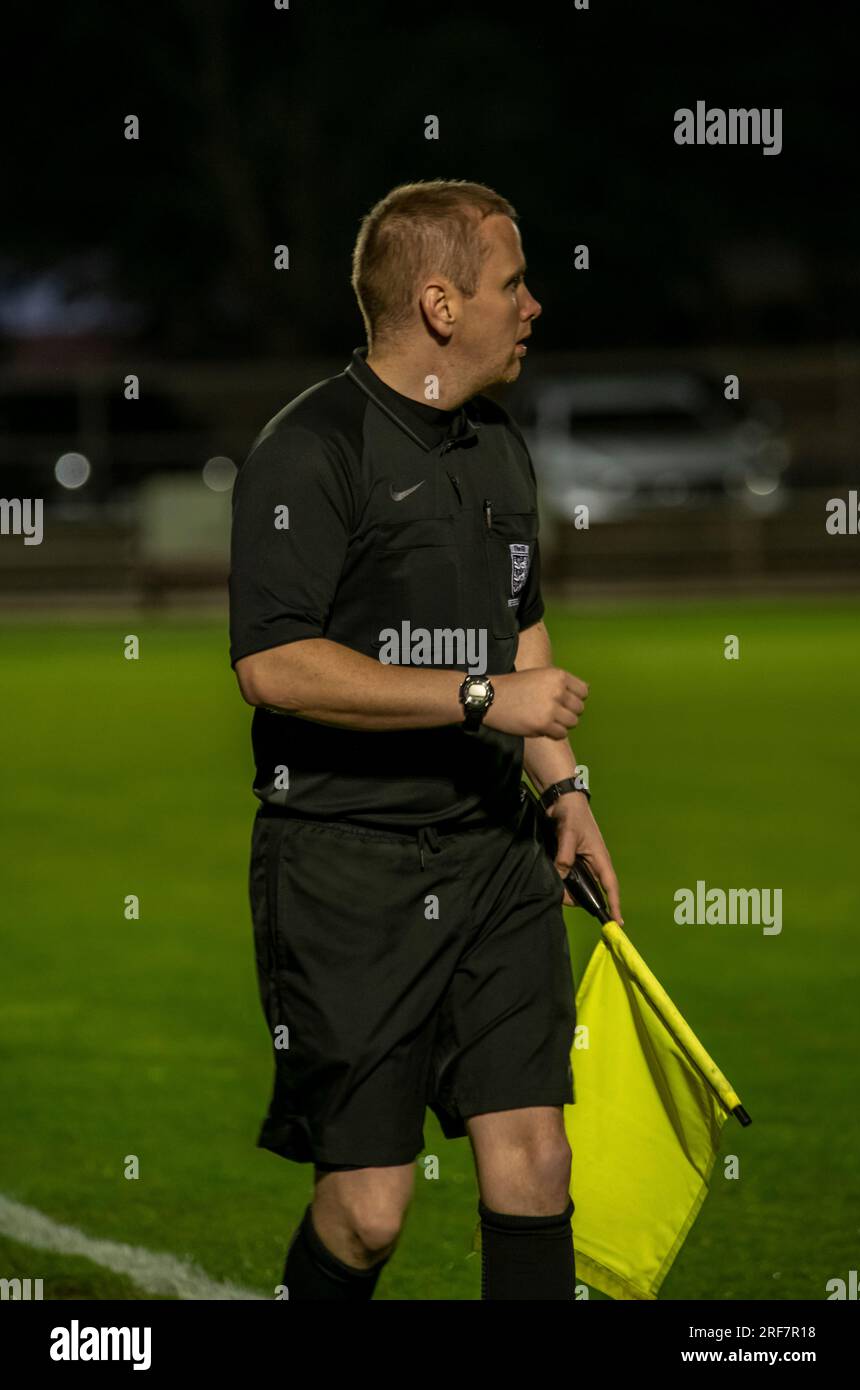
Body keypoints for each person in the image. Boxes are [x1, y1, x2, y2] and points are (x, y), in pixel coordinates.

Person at [228, 179, 623, 1301]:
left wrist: (566, 793)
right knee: (366, 1215)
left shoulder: (496, 444)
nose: (534, 305)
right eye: (513, 283)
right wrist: (472, 696)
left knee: (535, 1159)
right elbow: (273, 665)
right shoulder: (309, 449)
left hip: (494, 855)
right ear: (441, 303)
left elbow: (521, 632)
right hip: (343, 867)